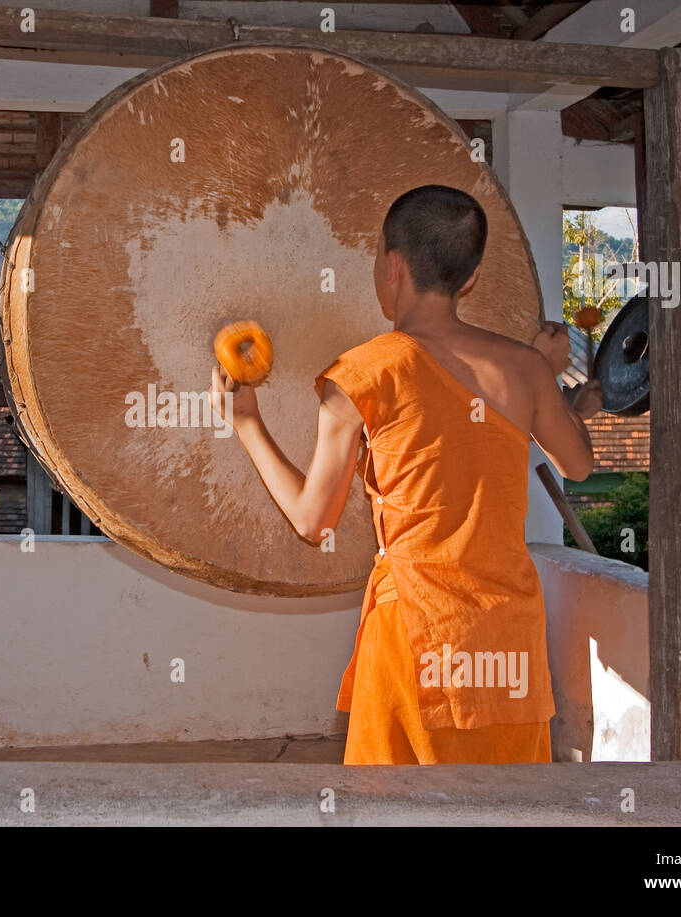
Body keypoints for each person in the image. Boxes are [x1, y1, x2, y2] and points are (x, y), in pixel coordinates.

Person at [210, 185, 602, 765]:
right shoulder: (524, 368)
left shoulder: (364, 374)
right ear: (469, 278)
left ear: (393, 265)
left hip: (415, 631)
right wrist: (549, 383)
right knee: (508, 806)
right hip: (506, 636)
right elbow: (579, 463)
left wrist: (245, 423)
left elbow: (312, 521)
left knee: (393, 807)